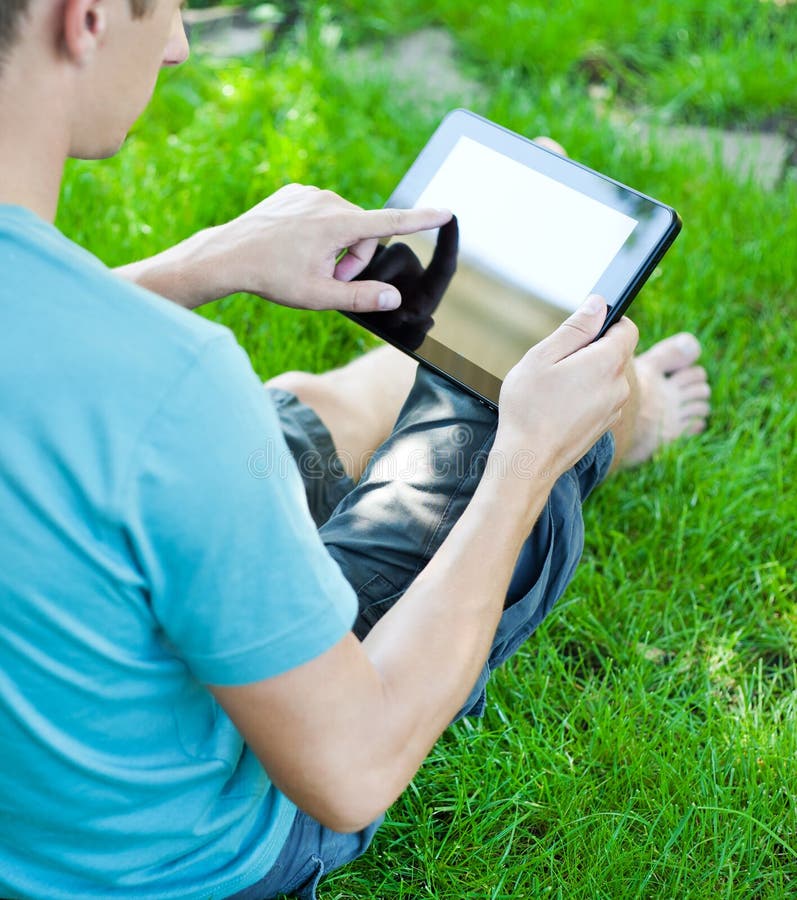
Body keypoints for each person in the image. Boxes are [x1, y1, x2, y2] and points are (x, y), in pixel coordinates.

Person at [0, 1, 711, 898]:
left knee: (291, 411)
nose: (179, 45)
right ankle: (607, 416)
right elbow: (352, 767)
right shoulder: (173, 390)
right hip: (185, 850)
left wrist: (199, 262)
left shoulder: (144, 387)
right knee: (496, 425)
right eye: (172, 8)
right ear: (88, 16)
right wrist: (529, 460)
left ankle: (430, 371)